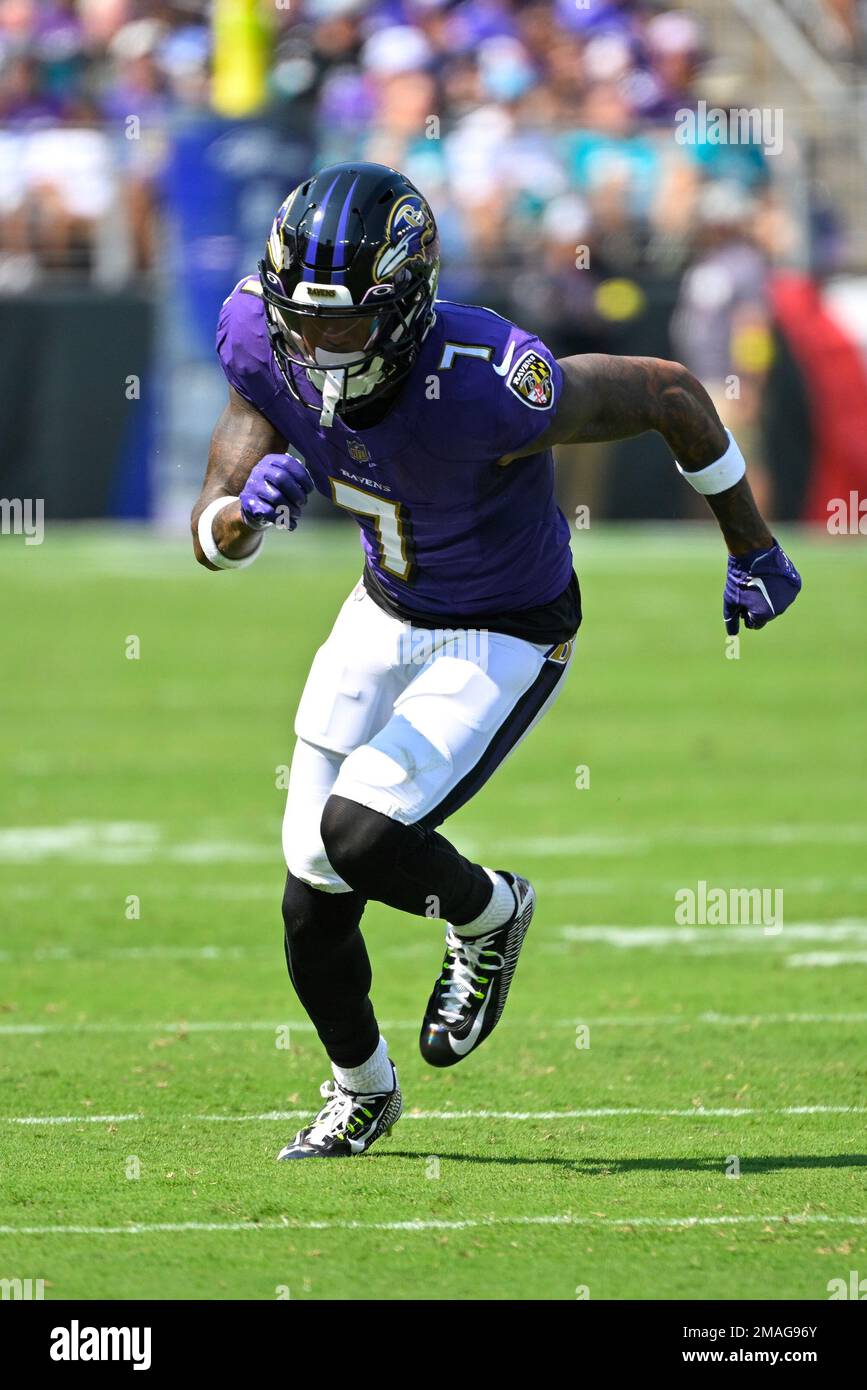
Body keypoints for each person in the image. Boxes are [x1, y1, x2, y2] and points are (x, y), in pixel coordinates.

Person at [191, 161, 801, 1159]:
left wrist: (753, 545)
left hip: (504, 626)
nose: (317, 347)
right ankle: (363, 1090)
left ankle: (489, 911)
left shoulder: (487, 380)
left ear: (403, 305)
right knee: (308, 891)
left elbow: (669, 391)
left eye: (342, 326)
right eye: (303, 321)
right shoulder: (266, 336)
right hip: (382, 610)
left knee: (356, 834)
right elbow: (212, 513)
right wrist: (232, 522)